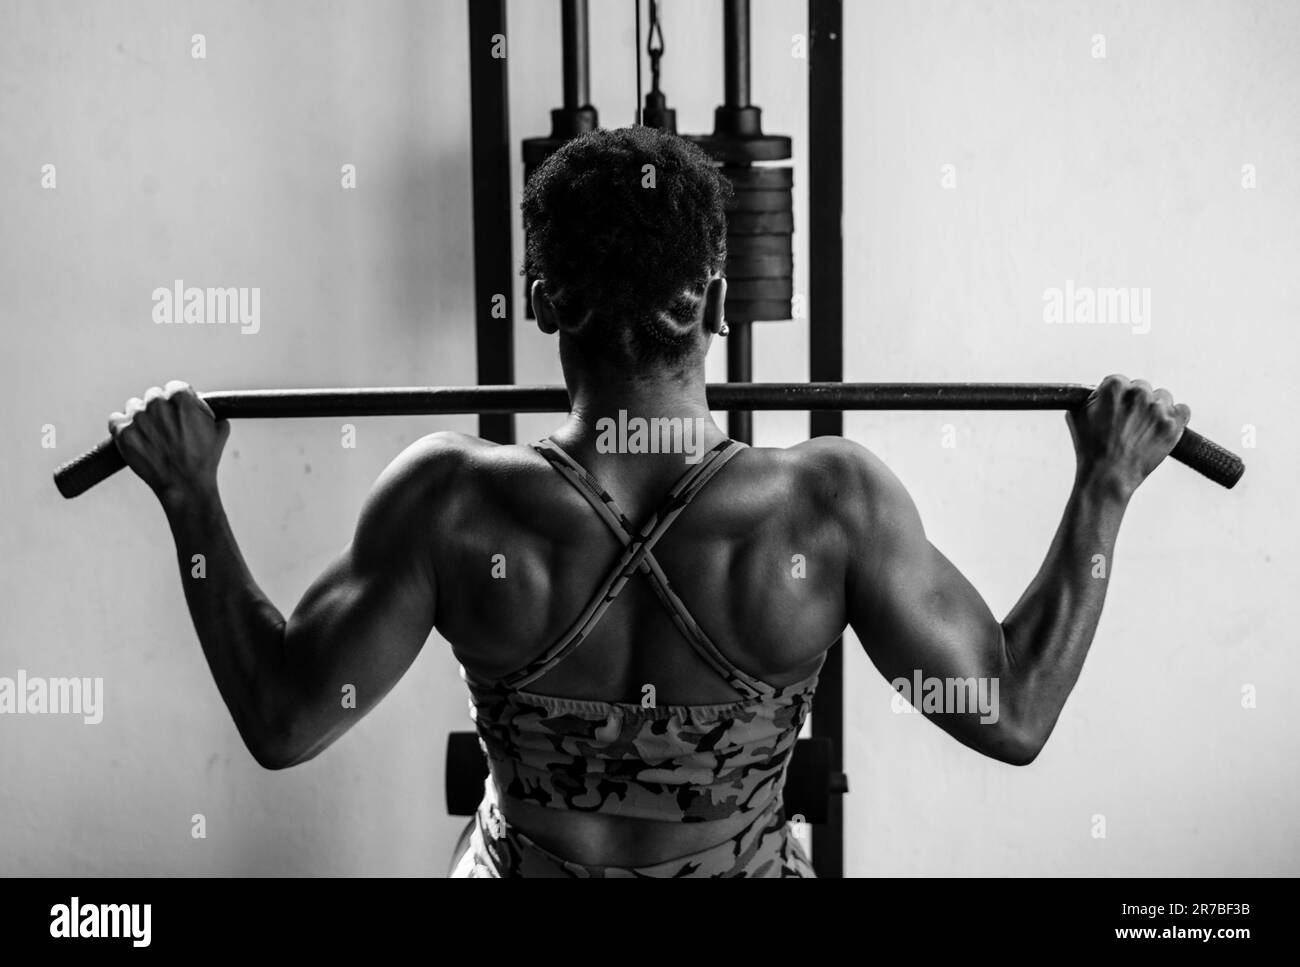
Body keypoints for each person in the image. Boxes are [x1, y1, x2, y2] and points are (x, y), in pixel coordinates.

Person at [108, 127, 1190, 878]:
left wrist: (191, 495)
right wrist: (1105, 486)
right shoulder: (827, 507)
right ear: (718, 300)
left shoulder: (446, 503)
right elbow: (1011, 716)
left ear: (540, 304)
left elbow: (284, 720)